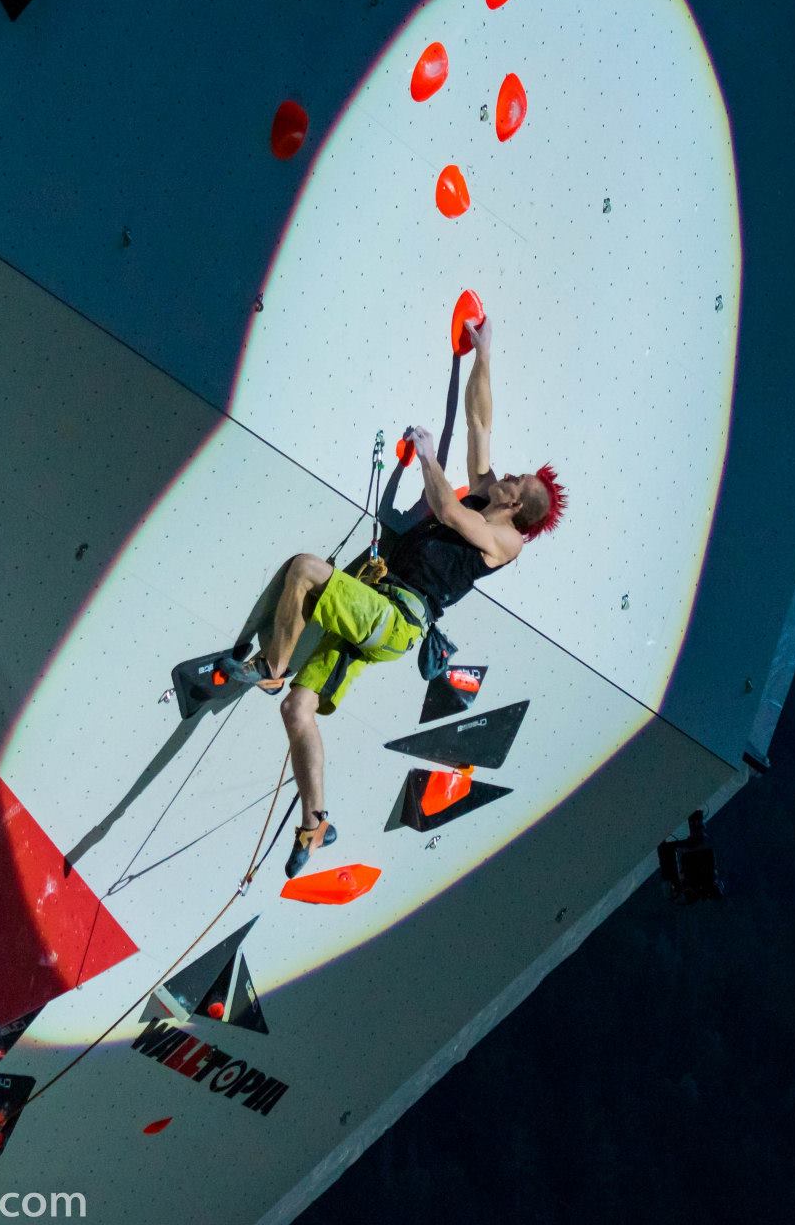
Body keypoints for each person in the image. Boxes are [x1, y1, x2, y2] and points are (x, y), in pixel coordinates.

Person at [232, 316, 567, 876]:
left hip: (395, 617)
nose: (504, 474)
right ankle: (316, 823)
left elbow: (448, 510)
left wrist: (431, 457)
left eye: (513, 479)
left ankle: (271, 666)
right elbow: (480, 423)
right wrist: (482, 354)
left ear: (515, 505)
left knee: (306, 571)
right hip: (378, 609)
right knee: (300, 709)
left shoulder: (506, 540)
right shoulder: (494, 496)